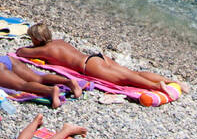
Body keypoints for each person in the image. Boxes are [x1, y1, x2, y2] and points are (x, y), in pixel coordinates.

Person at [18, 23, 176, 98]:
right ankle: (168, 81)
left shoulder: (45, 49)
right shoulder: (59, 42)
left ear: (37, 39)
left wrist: (32, 47)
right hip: (97, 58)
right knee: (132, 73)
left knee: (125, 79)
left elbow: (21, 52)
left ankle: (156, 86)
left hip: (88, 66)